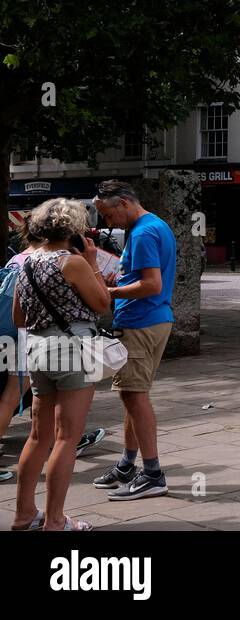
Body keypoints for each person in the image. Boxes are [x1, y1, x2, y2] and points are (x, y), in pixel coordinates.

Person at [10, 198, 112, 530]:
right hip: (72, 348)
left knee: (38, 436)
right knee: (67, 437)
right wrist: (94, 261)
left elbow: (18, 318)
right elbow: (102, 302)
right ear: (74, 230)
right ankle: (55, 520)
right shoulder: (73, 263)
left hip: (38, 349)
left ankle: (24, 513)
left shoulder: (25, 263)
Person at [90, 180, 175, 502]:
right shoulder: (156, 225)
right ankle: (127, 465)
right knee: (131, 396)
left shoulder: (141, 233)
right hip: (152, 320)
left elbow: (151, 284)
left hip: (141, 322)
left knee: (135, 397)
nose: (108, 223)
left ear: (125, 202)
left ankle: (153, 474)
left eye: (108, 215)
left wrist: (109, 292)